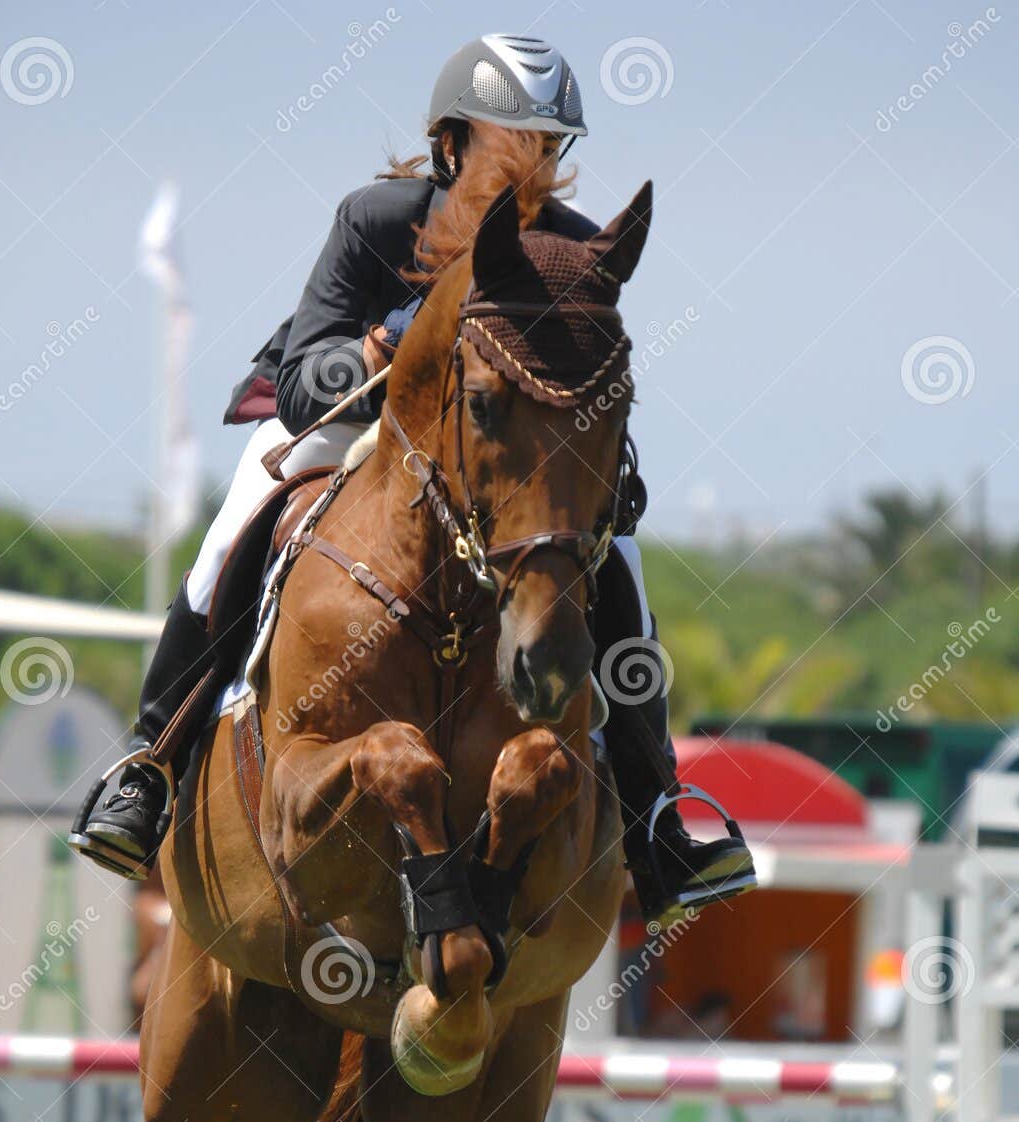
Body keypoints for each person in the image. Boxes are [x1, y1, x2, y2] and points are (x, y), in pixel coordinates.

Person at [70, 33, 755, 928]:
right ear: (447, 145)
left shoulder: (573, 247)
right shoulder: (378, 218)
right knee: (233, 530)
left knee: (618, 562)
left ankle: (658, 813)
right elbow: (309, 366)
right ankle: (149, 764)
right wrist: (374, 353)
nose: (530, 160)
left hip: (497, 466)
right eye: (508, 139)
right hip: (348, 430)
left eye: (547, 144)